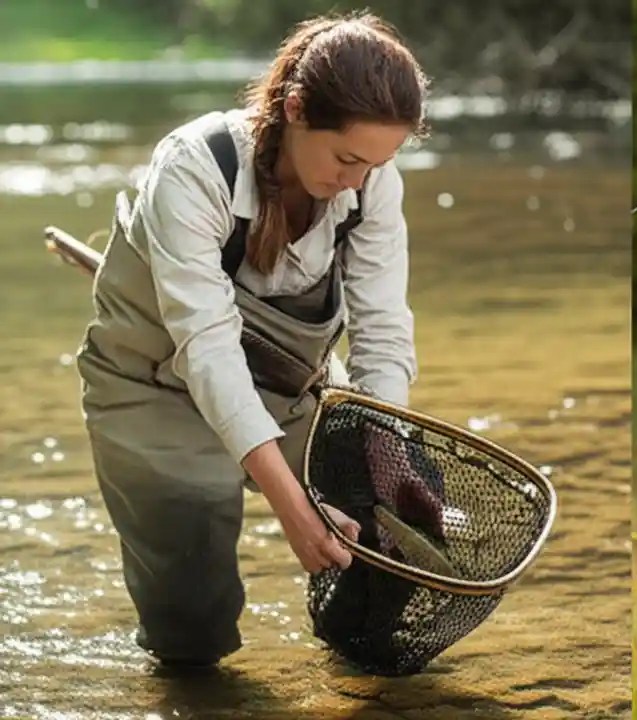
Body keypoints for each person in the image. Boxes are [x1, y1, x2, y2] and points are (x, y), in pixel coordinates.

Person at [74, 12, 428, 669]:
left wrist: (388, 449)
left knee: (398, 503)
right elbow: (206, 349)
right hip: (154, 390)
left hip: (286, 386)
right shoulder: (194, 168)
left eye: (375, 164)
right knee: (194, 598)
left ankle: (357, 666)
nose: (357, 180)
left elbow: (382, 329)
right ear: (296, 109)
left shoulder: (372, 182)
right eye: (347, 157)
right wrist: (291, 507)